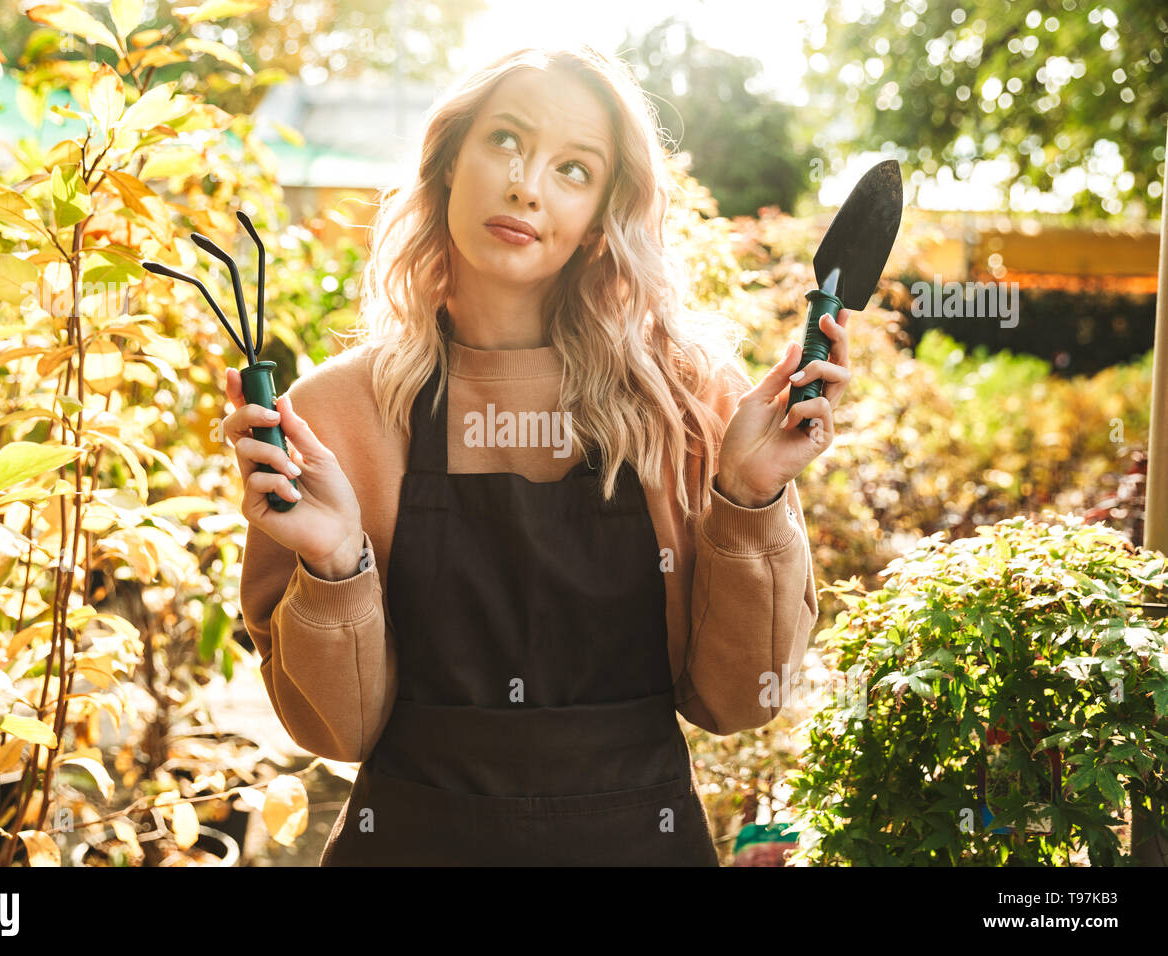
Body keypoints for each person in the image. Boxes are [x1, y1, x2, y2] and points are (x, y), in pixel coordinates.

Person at [229, 45, 850, 866]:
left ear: (602, 214)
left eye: (573, 169)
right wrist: (337, 565)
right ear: (449, 160)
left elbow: (738, 703)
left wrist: (749, 497)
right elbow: (339, 734)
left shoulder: (695, 401)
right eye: (506, 141)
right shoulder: (335, 417)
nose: (527, 184)